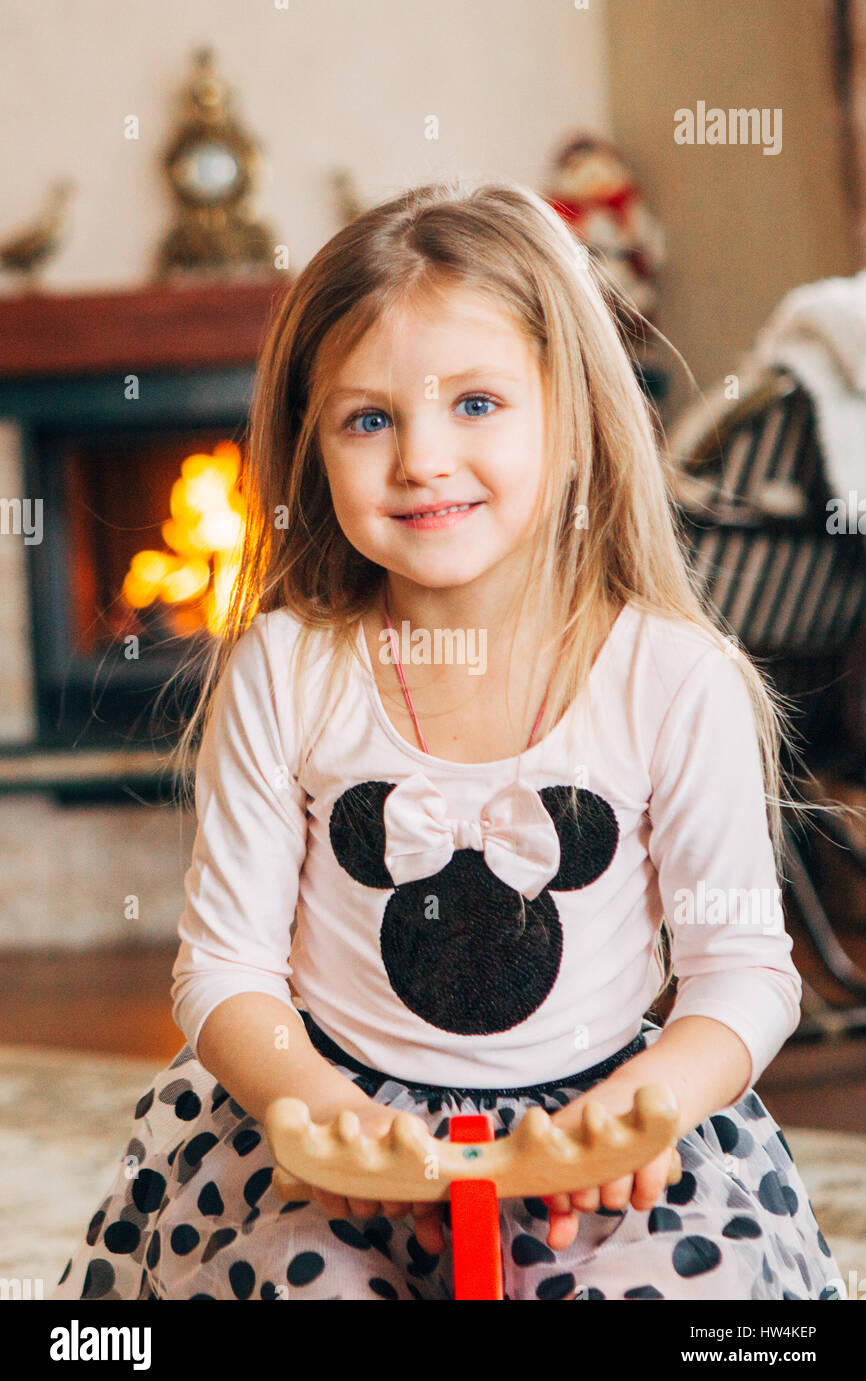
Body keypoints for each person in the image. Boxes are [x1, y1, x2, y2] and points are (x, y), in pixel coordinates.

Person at [51, 178, 846, 1300]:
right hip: (336, 1131)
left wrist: (653, 1099)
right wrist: (314, 1108)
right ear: (312, 447)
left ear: (568, 419)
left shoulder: (673, 680)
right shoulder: (286, 668)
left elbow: (743, 976)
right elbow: (224, 967)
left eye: (475, 403)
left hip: (594, 1148)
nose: (420, 456)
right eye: (368, 418)